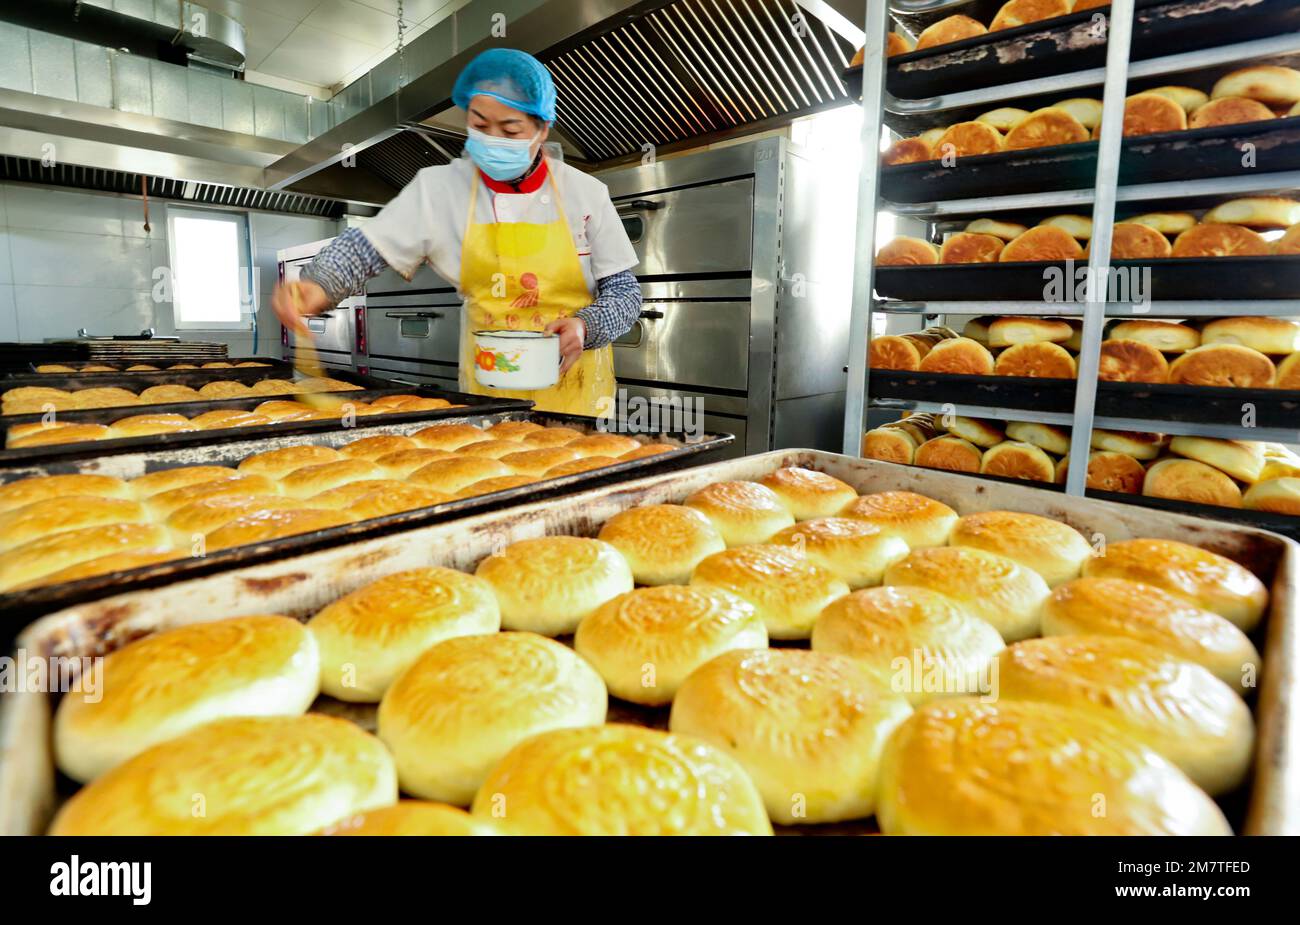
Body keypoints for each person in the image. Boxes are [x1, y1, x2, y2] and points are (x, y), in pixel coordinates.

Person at [272, 48, 641, 415]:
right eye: (480, 126)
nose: (493, 138)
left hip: (577, 397)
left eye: (510, 129)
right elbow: (366, 249)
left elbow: (625, 295)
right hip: (487, 394)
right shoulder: (440, 189)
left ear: (542, 129)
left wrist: (586, 326)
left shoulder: (585, 193)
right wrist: (317, 284)